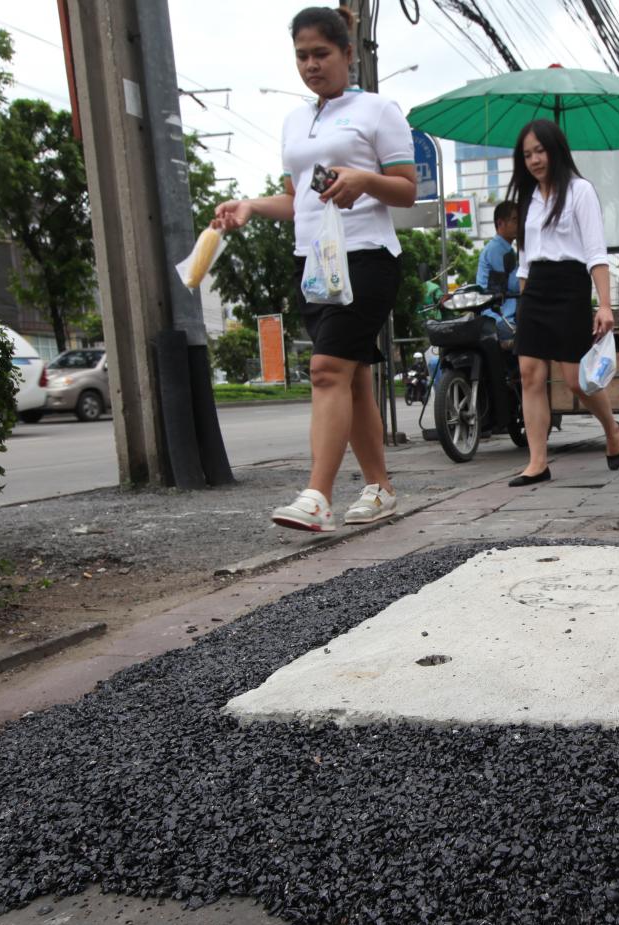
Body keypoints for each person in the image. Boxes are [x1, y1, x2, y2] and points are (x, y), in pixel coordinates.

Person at [213, 5, 417, 532]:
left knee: (327, 370)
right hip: (315, 265)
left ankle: (317, 496)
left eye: (321, 54)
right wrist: (251, 207)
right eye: (301, 56)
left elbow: (407, 188)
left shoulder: (378, 110)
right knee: (352, 382)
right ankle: (380, 489)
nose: (310, 65)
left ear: (348, 55)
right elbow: (298, 199)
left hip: (367, 258)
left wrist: (363, 180)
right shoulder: (294, 121)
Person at [505, 119, 619, 486]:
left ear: (555, 150)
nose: (534, 160)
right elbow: (525, 259)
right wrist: (524, 302)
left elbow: (595, 253)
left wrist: (604, 305)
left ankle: (611, 429)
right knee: (530, 375)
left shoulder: (579, 191)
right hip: (535, 287)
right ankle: (538, 462)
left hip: (570, 286)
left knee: (577, 381)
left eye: (539, 151)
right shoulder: (527, 199)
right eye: (527, 155)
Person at [477, 200, 521, 324]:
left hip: (502, 314)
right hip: (499, 317)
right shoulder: (497, 249)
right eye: (514, 220)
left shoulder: (505, 248)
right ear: (500, 223)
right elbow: (516, 285)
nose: (519, 224)